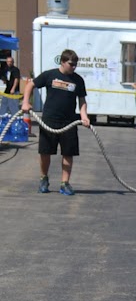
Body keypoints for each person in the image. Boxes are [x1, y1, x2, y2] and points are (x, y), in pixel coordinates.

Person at [22, 48, 90, 195]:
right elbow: (30, 85)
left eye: (75, 65)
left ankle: (65, 183)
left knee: (68, 153)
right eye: (71, 64)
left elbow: (82, 100)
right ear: (63, 62)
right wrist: (26, 102)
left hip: (69, 121)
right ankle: (43, 178)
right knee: (45, 152)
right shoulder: (50, 75)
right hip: (49, 120)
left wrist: (84, 115)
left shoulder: (78, 80)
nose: (73, 67)